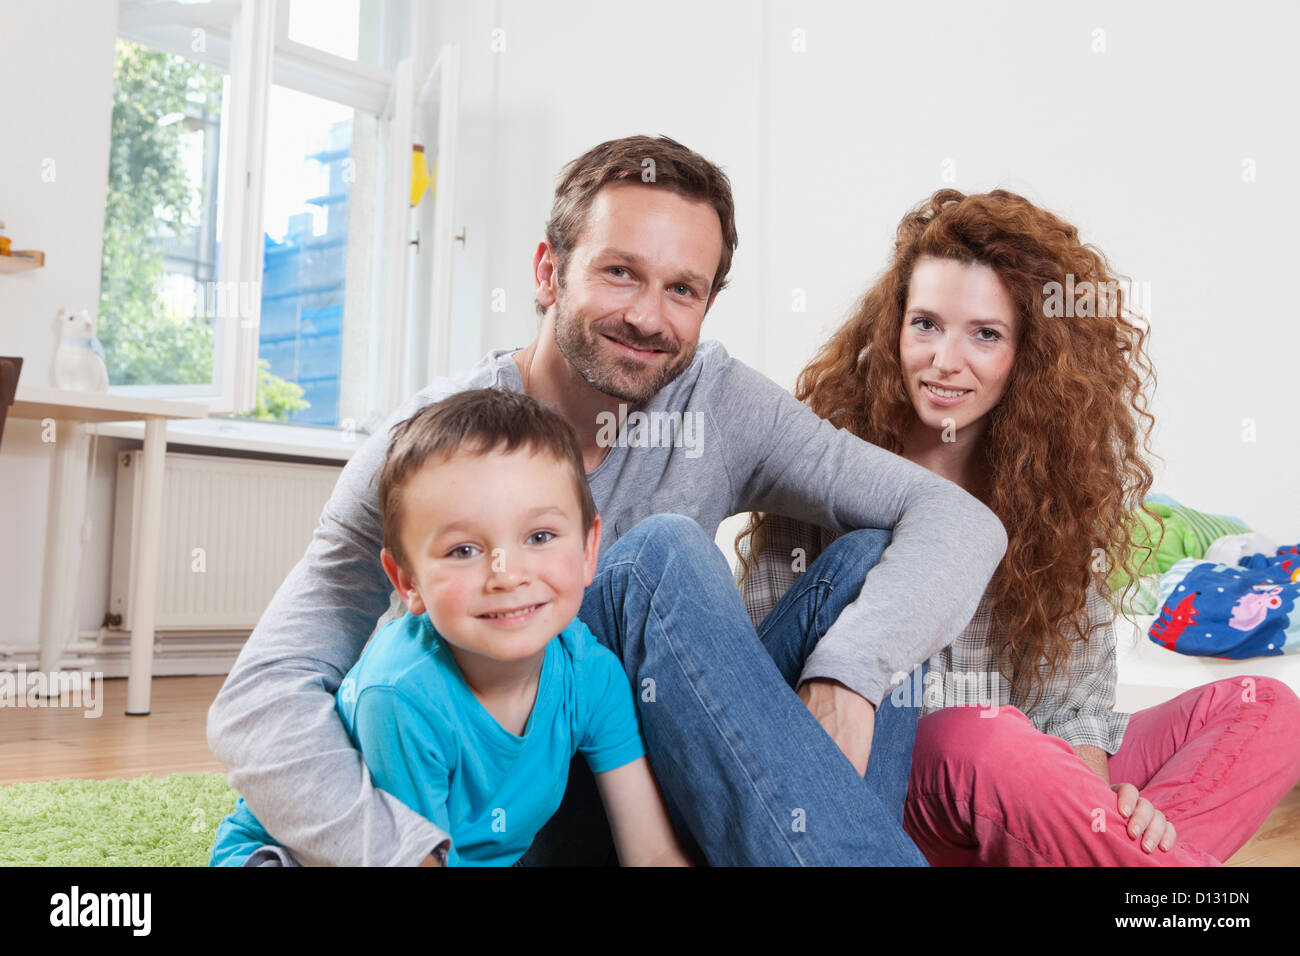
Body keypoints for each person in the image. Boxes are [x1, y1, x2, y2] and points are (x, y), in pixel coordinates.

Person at [207, 136, 1007, 867]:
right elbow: (258, 701)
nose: (647, 317)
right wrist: (406, 851)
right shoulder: (430, 449)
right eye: (619, 271)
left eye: (682, 289)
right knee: (660, 555)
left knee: (871, 565)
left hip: (648, 774)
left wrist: (848, 675)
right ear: (549, 272)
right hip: (506, 795)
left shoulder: (721, 404)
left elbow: (959, 522)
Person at [735, 188, 1300, 866]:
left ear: (1029, 354)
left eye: (985, 334)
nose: (946, 359)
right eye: (925, 324)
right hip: (915, 786)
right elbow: (772, 674)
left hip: (1037, 782)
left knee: (1263, 704)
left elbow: (1078, 705)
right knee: (985, 739)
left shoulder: (1056, 490)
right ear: (892, 330)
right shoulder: (827, 469)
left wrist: (1095, 809)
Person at [209, 389, 690, 866]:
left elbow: (651, 851)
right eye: (463, 550)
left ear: (588, 550)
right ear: (407, 581)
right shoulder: (401, 693)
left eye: (539, 536)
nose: (507, 574)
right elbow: (411, 857)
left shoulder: (593, 676)